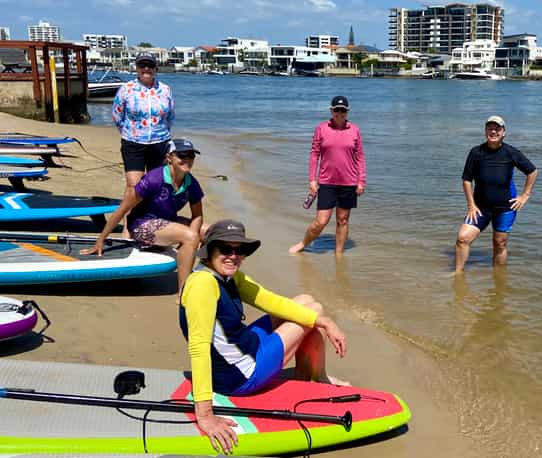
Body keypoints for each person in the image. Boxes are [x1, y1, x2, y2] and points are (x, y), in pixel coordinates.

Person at [181, 219, 348, 453]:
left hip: (243, 347)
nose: (233, 256)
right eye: (226, 249)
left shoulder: (225, 276)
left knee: (306, 301)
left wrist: (325, 323)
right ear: (210, 250)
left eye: (240, 250)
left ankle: (311, 374)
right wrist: (206, 415)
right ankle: (316, 378)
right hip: (239, 375)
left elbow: (269, 300)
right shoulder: (203, 285)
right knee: (314, 311)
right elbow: (198, 348)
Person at [82, 138, 204, 294]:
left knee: (211, 232)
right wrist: (101, 239)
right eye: (182, 155)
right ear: (169, 158)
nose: (187, 160)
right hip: (142, 225)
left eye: (191, 156)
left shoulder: (191, 183)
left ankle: (204, 276)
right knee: (191, 236)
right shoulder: (154, 179)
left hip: (168, 222)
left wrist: (190, 241)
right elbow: (122, 209)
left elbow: (198, 216)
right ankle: (184, 292)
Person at [454, 116, 538, 272]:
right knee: (462, 239)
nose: (493, 131)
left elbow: (532, 171)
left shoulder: (511, 153)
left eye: (497, 129)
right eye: (490, 128)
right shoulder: (476, 153)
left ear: (504, 132)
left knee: (500, 243)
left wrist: (525, 195)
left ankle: (499, 280)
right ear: (485, 131)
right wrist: (471, 205)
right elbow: (466, 180)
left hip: (505, 208)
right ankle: (458, 275)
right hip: (480, 208)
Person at [289, 95, 366, 256]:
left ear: (347, 112)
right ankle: (303, 244)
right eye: (336, 110)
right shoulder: (321, 128)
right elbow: (314, 155)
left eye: (343, 110)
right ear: (331, 111)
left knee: (342, 220)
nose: (339, 113)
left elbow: (360, 157)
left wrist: (361, 181)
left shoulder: (355, 130)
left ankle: (338, 255)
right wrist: (312, 179)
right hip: (326, 182)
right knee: (321, 221)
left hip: (349, 182)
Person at [112, 51, 175, 232]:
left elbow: (170, 116)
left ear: (156, 68)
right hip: (133, 142)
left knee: (157, 186)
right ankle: (128, 225)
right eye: (142, 65)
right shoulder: (127, 89)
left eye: (149, 65)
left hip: (160, 142)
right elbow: (117, 115)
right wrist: (131, 132)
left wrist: (160, 133)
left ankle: (151, 224)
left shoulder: (165, 89)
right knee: (134, 185)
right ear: (137, 68)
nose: (146, 69)